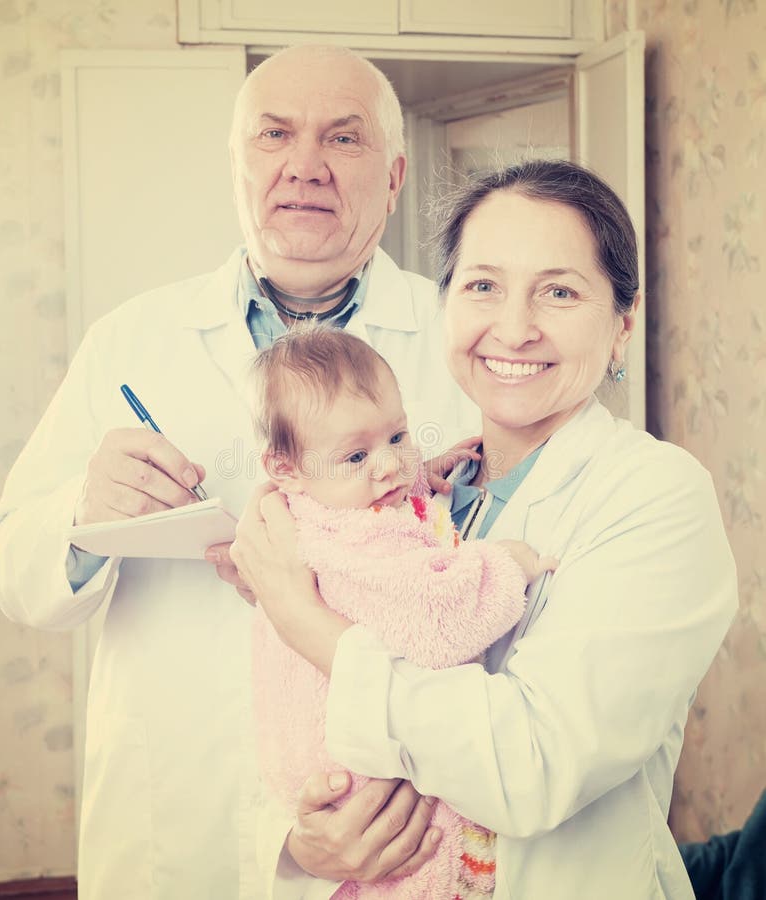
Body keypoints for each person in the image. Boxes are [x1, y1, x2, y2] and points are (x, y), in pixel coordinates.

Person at [0, 45, 479, 899]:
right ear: (237, 162)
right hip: (178, 812)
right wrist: (79, 513)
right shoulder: (131, 340)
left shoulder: (460, 342)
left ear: (394, 175)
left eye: (343, 139)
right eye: (274, 135)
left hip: (383, 816)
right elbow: (15, 574)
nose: (304, 166)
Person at [230, 159, 739, 900]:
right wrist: (306, 843)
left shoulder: (656, 496)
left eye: (558, 292)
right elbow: (285, 713)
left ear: (622, 326)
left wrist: (301, 617)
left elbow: (529, 768)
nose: (513, 327)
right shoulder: (399, 496)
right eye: (482, 286)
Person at [249, 326, 554, 899]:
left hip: (340, 776)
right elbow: (438, 624)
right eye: (358, 454)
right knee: (426, 870)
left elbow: (379, 489)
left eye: (398, 436)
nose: (388, 465)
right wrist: (506, 566)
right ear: (284, 468)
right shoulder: (350, 545)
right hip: (366, 784)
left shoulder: (317, 506)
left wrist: (417, 473)